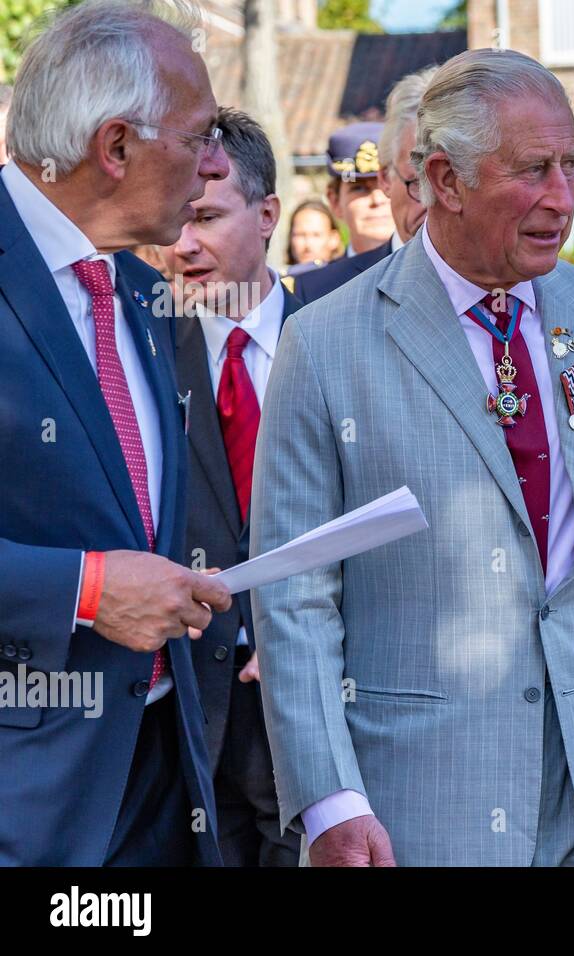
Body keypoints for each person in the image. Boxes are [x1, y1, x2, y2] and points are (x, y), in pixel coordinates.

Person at [251, 48, 574, 866]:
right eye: (534, 170)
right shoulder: (325, 343)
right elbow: (295, 596)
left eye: (572, 167)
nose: (564, 198)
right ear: (444, 180)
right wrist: (330, 800)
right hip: (422, 803)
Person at [0, 0, 232, 865]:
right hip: (28, 802)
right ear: (117, 145)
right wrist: (88, 588)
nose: (215, 167)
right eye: (201, 136)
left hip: (162, 782)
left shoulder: (140, 295)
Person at [166, 108, 303, 867]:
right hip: (193, 722)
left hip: (320, 714)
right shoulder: (143, 360)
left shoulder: (345, 345)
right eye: (177, 220)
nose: (184, 244)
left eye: (209, 218)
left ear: (268, 215)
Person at [293, 119, 408, 303]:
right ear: (335, 200)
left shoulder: (433, 269)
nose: (377, 200)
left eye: (386, 186)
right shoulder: (310, 287)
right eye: (359, 189)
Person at [284, 198, 341, 270]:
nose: (308, 244)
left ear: (334, 238)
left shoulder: (350, 278)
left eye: (316, 235)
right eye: (300, 235)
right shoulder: (276, 279)